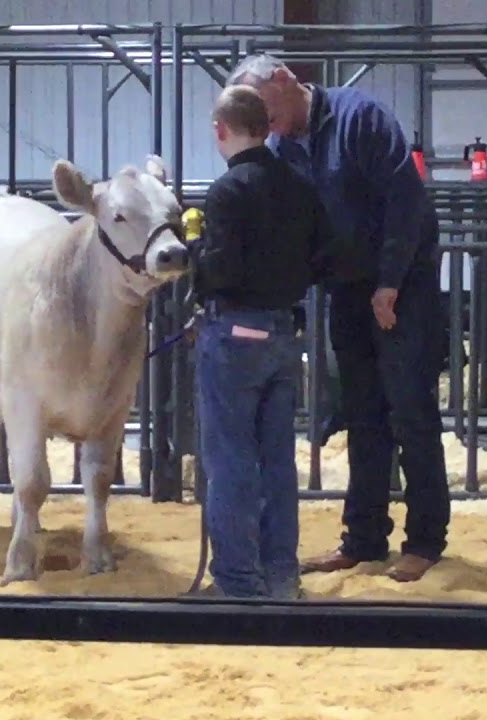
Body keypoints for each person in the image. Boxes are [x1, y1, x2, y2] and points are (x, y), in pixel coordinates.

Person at [224, 53, 449, 583]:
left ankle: (425, 540)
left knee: (410, 408)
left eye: (262, 105)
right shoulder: (280, 147)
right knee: (361, 413)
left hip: (403, 285)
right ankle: (364, 539)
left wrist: (390, 282)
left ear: (284, 79)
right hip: (347, 289)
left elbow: (405, 200)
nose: (262, 119)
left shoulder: (361, 117)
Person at [187, 84, 337, 600]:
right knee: (277, 462)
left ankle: (236, 581)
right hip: (283, 333)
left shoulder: (228, 191)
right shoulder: (298, 185)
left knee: (229, 461)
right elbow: (323, 255)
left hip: (234, 335)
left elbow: (221, 268)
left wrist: (195, 257)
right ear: (267, 126)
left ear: (220, 130)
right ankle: (280, 577)